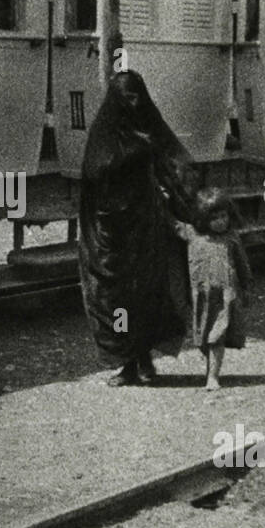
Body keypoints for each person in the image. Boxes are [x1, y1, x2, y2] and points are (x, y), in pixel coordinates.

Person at [78, 69, 196, 386]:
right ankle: (127, 364)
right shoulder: (105, 133)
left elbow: (174, 162)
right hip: (112, 232)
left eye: (136, 97)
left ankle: (144, 361)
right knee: (114, 297)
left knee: (147, 295)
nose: (132, 103)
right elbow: (95, 169)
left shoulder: (148, 128)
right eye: (126, 97)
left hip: (145, 228)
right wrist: (135, 151)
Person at [174, 187, 251, 390]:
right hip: (201, 297)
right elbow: (171, 223)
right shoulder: (192, 234)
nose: (221, 221)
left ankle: (213, 377)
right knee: (203, 336)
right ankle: (210, 370)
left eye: (223, 216)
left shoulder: (231, 238)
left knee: (217, 335)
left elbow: (243, 265)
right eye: (214, 217)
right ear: (202, 219)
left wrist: (246, 287)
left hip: (225, 295)